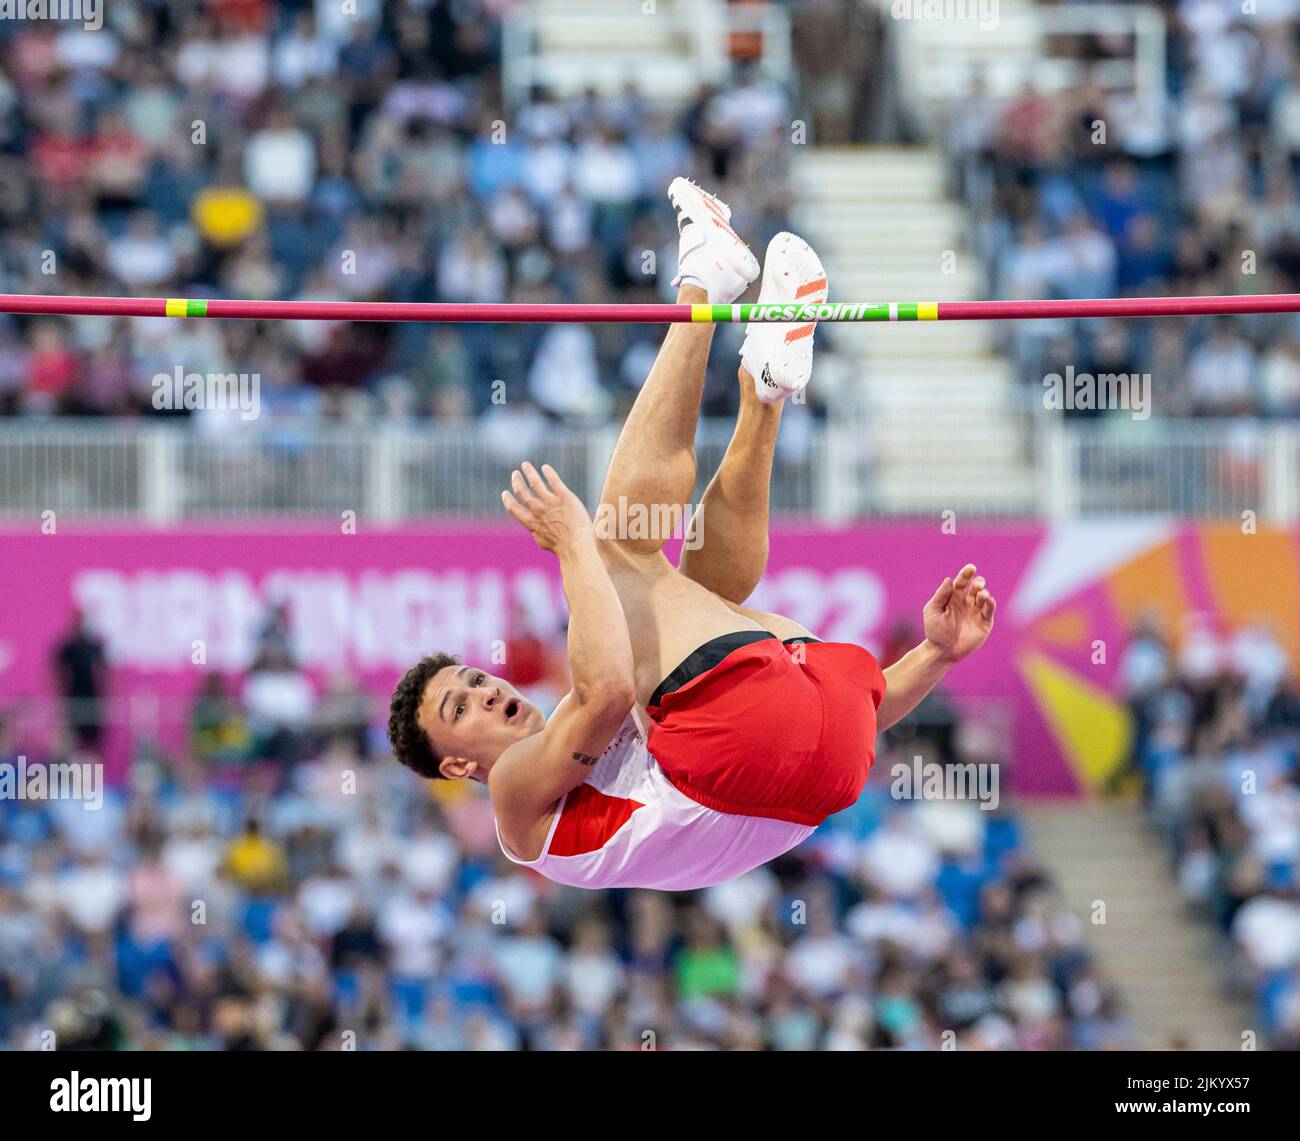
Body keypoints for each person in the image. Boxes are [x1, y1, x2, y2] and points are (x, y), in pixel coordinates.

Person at [388, 179, 997, 890]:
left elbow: (843, 722)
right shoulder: (513, 795)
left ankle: (764, 394)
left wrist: (936, 654)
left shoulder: (586, 746)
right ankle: (703, 288)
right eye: (461, 706)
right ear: (458, 764)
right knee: (619, 549)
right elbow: (608, 690)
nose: (488, 691)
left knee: (693, 594)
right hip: (744, 746)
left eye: (474, 678)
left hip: (824, 758)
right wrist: (573, 543)